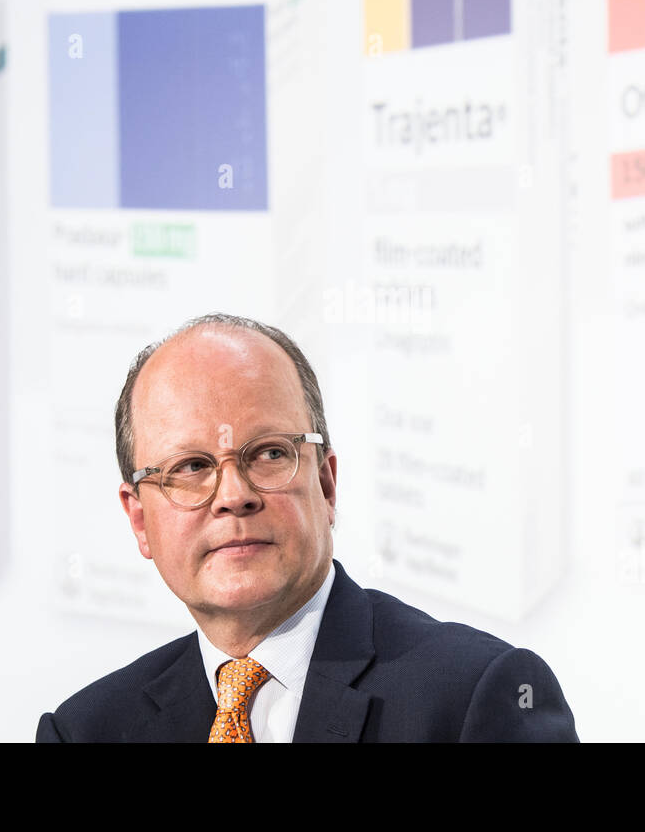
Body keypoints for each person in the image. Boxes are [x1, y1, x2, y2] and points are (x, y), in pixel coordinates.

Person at [36, 313, 578, 742]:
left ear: (326, 485)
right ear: (139, 520)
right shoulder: (87, 730)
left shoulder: (475, 698)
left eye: (269, 453)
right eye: (192, 467)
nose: (234, 496)